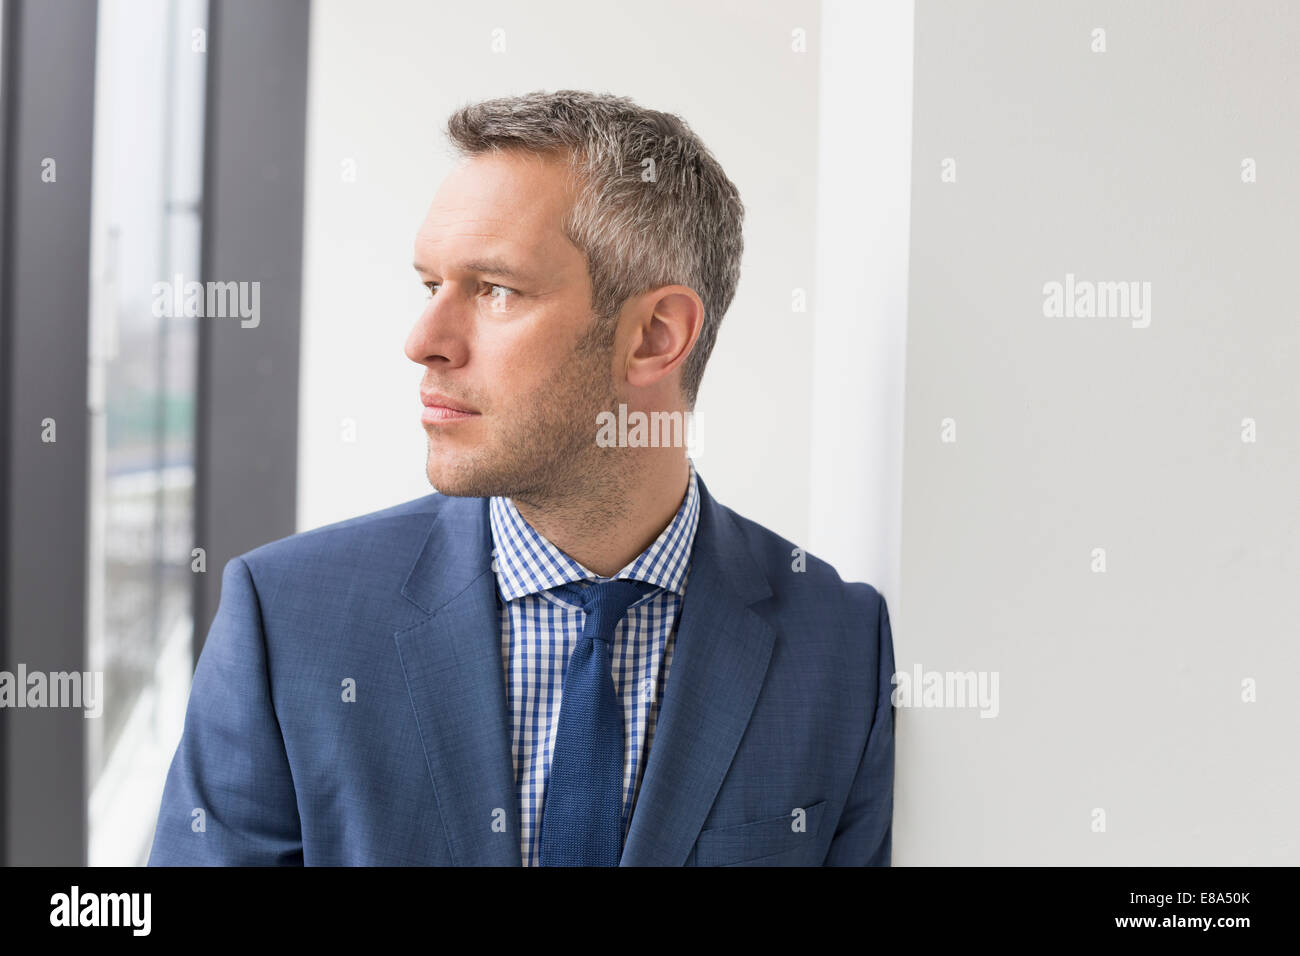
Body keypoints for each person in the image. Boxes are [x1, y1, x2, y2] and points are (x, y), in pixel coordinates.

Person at [149, 90, 895, 867]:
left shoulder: (840, 648)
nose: (424, 341)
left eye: (496, 290)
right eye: (431, 286)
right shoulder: (287, 623)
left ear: (654, 336)